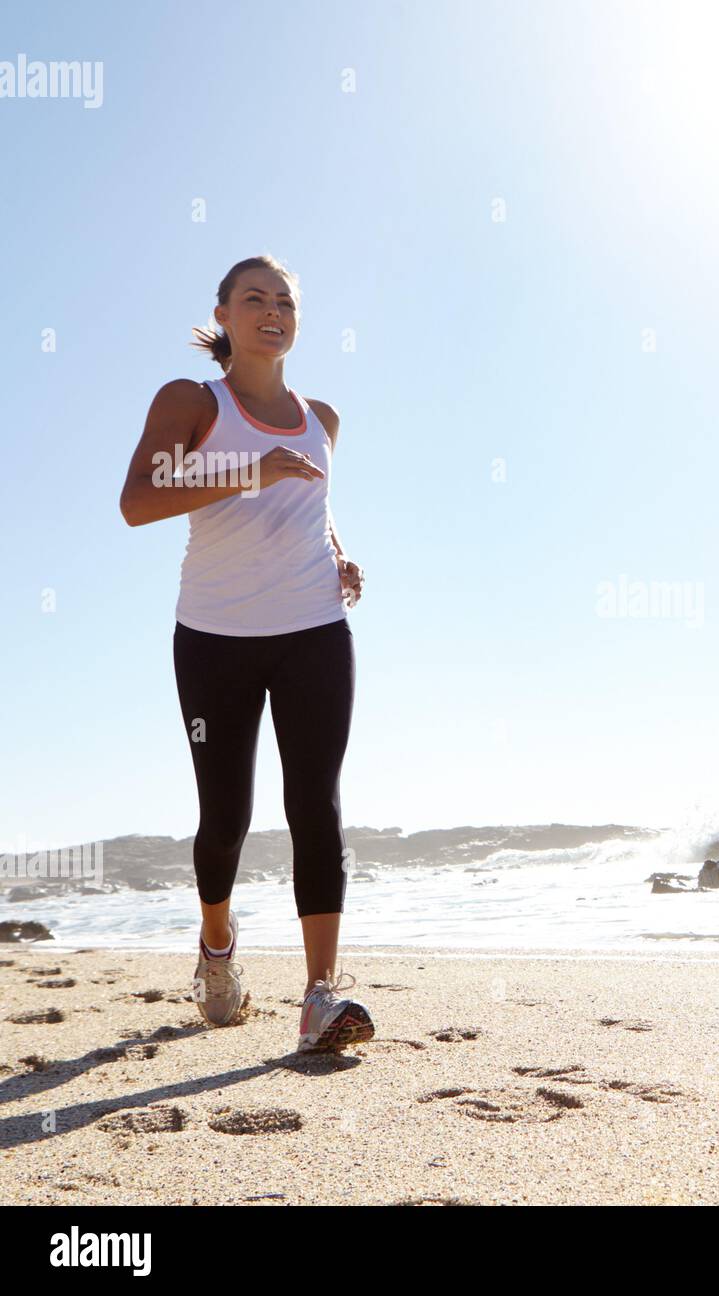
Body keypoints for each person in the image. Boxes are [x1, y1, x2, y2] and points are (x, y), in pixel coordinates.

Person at [118, 253, 374, 1053]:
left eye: (285, 300)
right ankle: (218, 948)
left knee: (316, 804)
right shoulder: (192, 400)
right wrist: (247, 468)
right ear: (223, 315)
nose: (272, 310)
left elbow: (312, 502)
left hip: (315, 629)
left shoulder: (322, 417)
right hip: (215, 637)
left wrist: (338, 554)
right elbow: (139, 501)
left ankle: (320, 998)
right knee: (226, 816)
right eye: (254, 298)